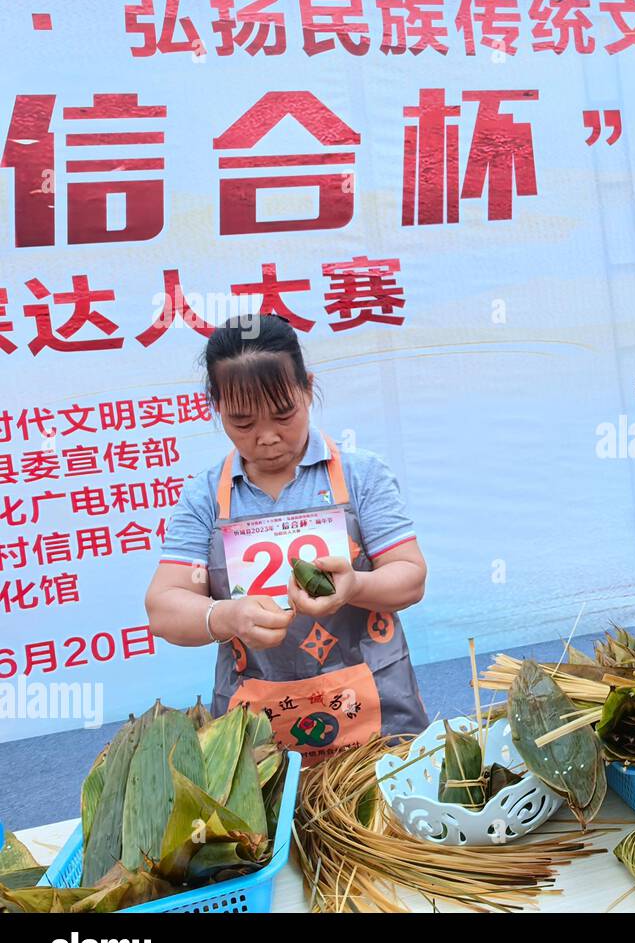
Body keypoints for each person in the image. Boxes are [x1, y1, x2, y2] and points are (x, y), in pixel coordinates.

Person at [144, 315, 430, 763]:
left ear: (308, 388)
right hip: (258, 727)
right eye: (242, 423)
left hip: (376, 715)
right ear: (214, 407)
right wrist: (227, 616)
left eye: (284, 414)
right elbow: (163, 607)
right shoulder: (204, 498)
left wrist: (355, 586)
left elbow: (410, 578)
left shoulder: (361, 476)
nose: (268, 437)